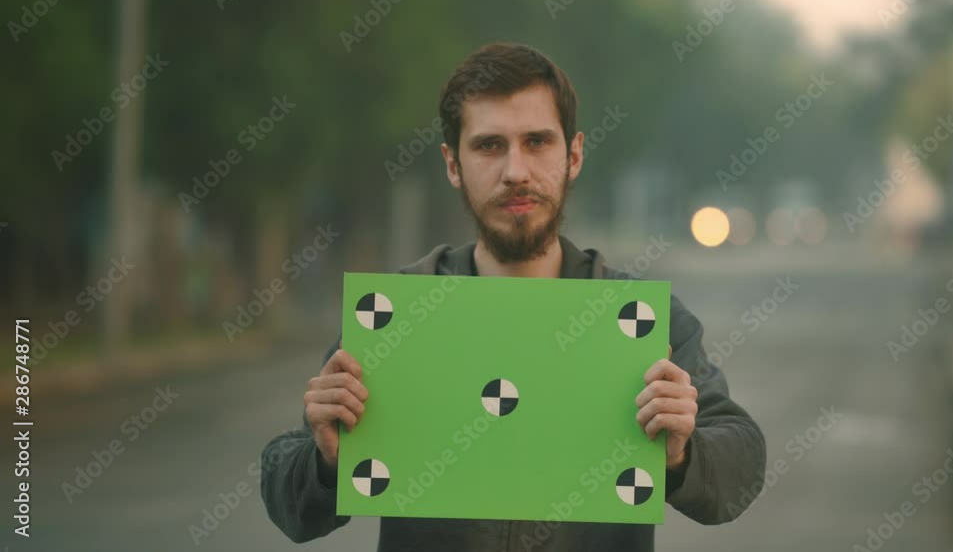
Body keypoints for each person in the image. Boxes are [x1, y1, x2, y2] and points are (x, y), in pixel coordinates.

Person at [261, 42, 766, 551]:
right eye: (488, 146)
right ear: (453, 164)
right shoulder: (397, 313)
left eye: (537, 142)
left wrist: (684, 454)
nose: (516, 172)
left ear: (573, 155)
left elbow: (739, 467)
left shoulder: (639, 318)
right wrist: (324, 459)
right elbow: (289, 499)